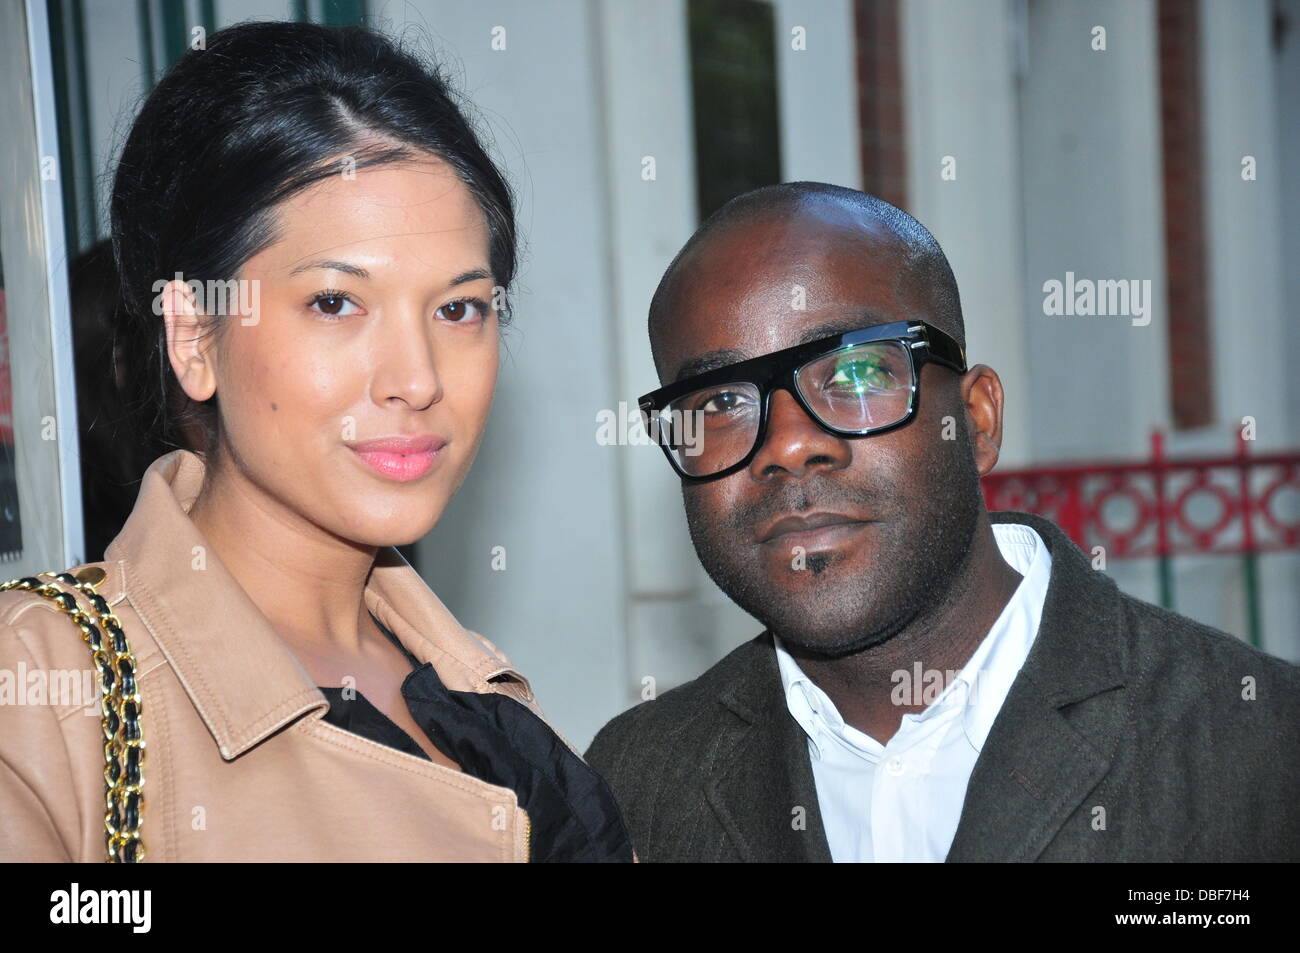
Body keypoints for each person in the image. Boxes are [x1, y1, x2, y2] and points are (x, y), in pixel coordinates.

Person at [0, 21, 631, 863]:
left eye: (459, 308)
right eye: (336, 303)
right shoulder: (47, 693)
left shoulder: (491, 700)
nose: (416, 378)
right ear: (193, 334)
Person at [585, 181, 1300, 862]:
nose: (788, 444)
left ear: (978, 419)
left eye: (857, 374)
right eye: (718, 404)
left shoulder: (1260, 748)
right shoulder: (634, 787)